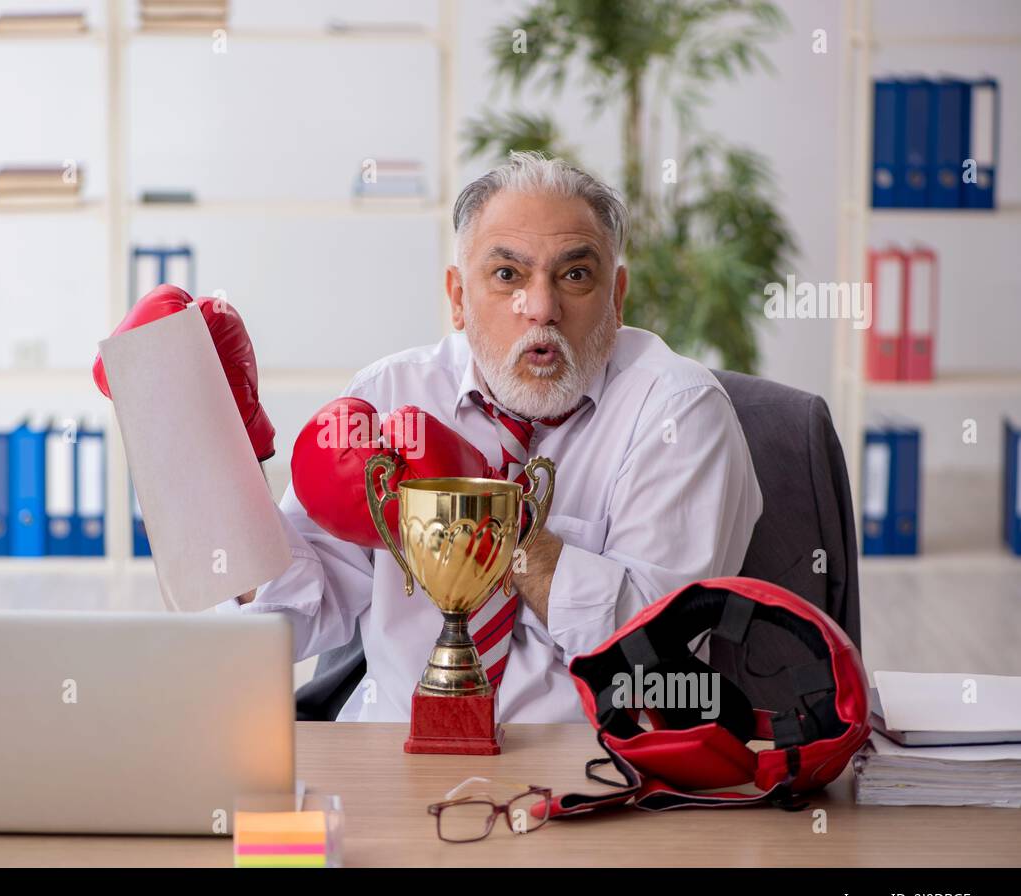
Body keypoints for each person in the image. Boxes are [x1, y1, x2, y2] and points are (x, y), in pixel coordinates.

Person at [100, 151, 763, 723]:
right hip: (389, 756)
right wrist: (216, 459)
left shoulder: (679, 414)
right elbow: (287, 620)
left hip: (588, 772)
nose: (541, 307)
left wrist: (476, 519)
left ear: (616, 297)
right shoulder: (389, 395)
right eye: (507, 275)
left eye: (574, 274)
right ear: (456, 296)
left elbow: (657, 656)